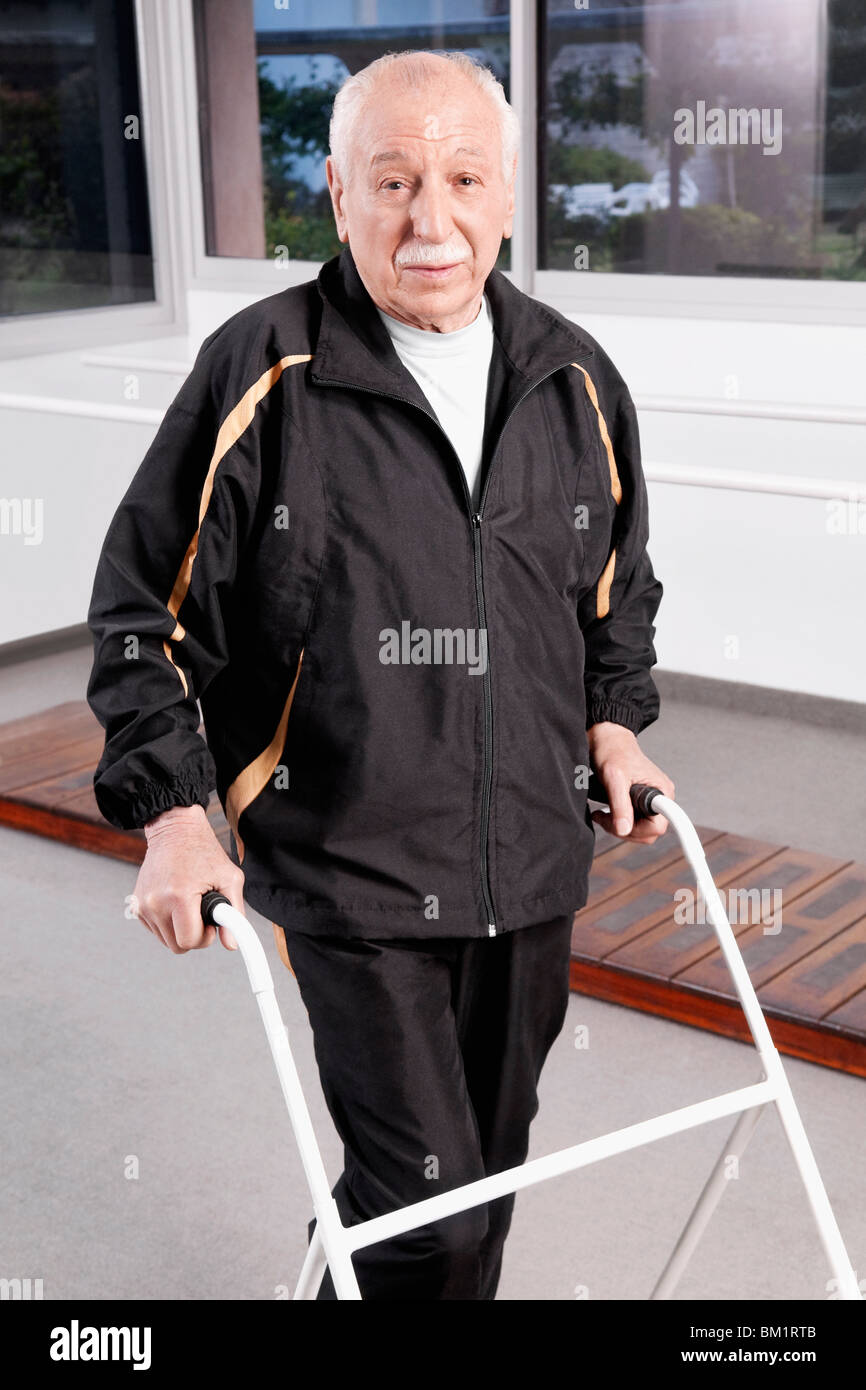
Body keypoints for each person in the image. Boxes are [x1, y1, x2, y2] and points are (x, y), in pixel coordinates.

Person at [87, 49, 674, 1300]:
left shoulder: (571, 375)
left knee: (477, 1178)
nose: (431, 221)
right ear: (338, 196)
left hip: (528, 860)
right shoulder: (266, 370)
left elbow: (614, 589)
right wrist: (173, 815)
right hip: (348, 862)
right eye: (392, 181)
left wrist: (614, 725)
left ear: (508, 194)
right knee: (434, 1210)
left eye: (462, 178)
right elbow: (143, 612)